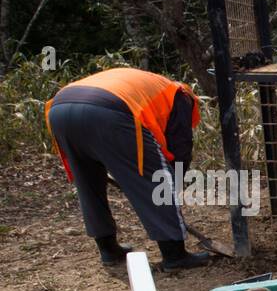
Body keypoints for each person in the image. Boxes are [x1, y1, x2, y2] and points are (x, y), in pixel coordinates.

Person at [45, 67, 209, 270]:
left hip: (60, 108)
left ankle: (108, 249)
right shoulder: (181, 96)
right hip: (107, 110)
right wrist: (168, 189)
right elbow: (180, 149)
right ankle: (174, 255)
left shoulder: (150, 85)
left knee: (88, 182)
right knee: (157, 178)